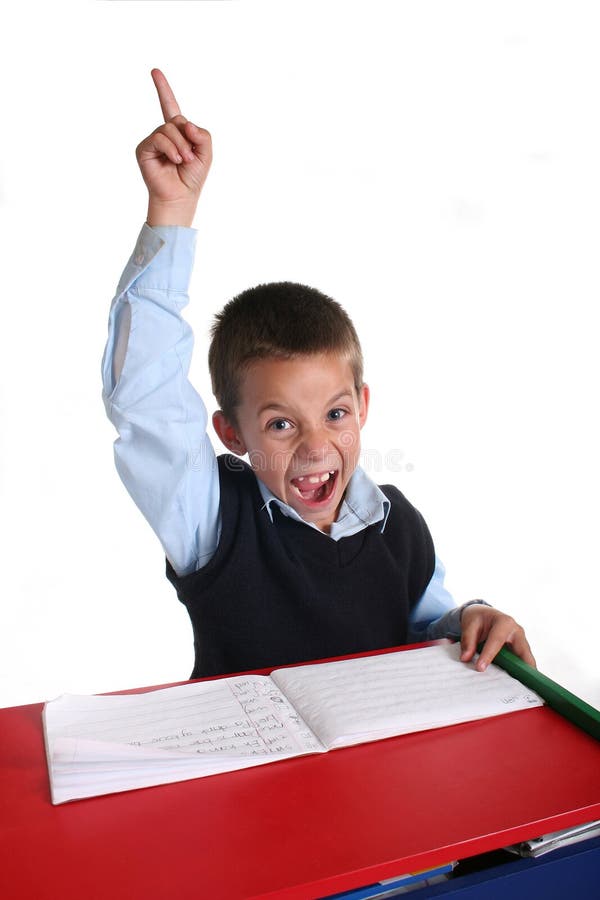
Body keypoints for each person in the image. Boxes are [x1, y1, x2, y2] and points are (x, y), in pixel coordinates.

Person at [102, 69, 536, 679]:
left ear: (361, 406)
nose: (315, 446)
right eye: (280, 424)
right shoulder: (210, 520)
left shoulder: (399, 526)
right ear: (231, 434)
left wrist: (472, 619)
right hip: (250, 771)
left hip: (370, 774)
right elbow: (145, 395)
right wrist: (172, 211)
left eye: (334, 414)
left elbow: (426, 625)